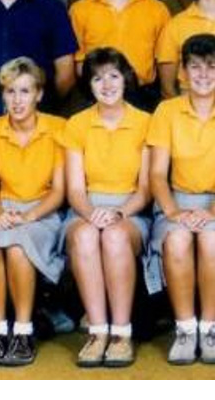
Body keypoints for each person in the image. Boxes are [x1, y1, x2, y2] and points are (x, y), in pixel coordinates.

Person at [147, 34, 215, 365]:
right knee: (177, 240)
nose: (203, 75)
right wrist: (173, 211)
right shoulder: (166, 110)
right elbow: (157, 174)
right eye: (194, 67)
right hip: (176, 202)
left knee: (211, 240)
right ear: (183, 72)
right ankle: (185, 330)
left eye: (211, 67)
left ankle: (211, 329)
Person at [59, 48, 153, 367]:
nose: (107, 85)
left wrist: (119, 214)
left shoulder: (145, 123)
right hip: (86, 208)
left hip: (130, 209)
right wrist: (91, 214)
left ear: (126, 80)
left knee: (114, 236)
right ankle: (97, 331)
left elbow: (146, 189)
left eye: (114, 76)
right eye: (98, 78)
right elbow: (74, 189)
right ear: (89, 85)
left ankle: (121, 334)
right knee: (86, 236)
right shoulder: (77, 124)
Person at [0, 57, 67, 367]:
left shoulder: (59, 129)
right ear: (2, 94)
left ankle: (23, 332)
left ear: (39, 94)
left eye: (25, 91)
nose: (17, 100)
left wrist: (29, 217)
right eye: (10, 91)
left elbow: (59, 191)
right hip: (0, 208)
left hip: (41, 211)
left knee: (17, 248)